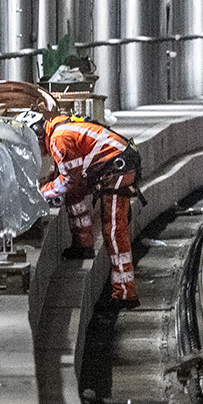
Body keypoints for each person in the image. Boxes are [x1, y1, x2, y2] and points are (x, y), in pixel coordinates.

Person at [39, 113, 141, 306]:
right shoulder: (58, 128)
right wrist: (51, 182)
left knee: (113, 229)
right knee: (74, 194)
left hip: (117, 168)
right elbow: (68, 171)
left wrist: (43, 193)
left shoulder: (57, 138)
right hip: (112, 163)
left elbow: (69, 179)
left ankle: (126, 294)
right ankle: (84, 245)